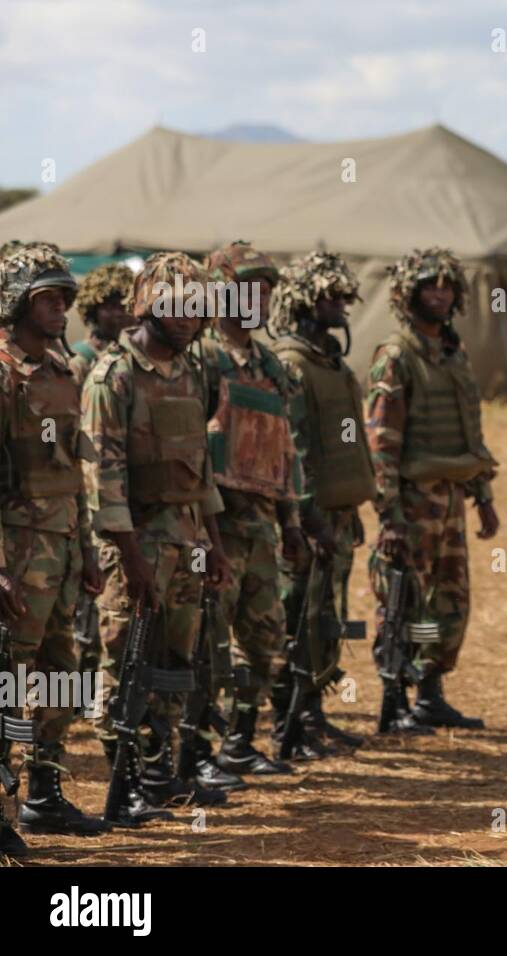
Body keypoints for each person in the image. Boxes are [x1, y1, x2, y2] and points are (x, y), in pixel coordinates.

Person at [82, 251, 234, 824]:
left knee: (173, 666)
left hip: (186, 541)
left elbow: (202, 471)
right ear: (148, 306)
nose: (189, 320)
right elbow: (105, 479)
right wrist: (131, 559)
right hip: (136, 545)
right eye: (177, 308)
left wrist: (213, 543)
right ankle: (125, 780)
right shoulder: (114, 376)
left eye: (198, 310)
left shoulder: (192, 372)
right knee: (125, 664)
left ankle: (158, 773)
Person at [0, 243, 108, 850]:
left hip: (63, 551)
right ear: (17, 301)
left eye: (65, 294)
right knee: (7, 678)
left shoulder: (64, 371)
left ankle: (44, 792)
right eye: (49, 296)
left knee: (64, 674)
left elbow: (75, 472)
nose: (63, 305)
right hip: (16, 555)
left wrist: (88, 550)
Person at [366, 248, 500, 731]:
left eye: (447, 285)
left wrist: (483, 495)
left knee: (449, 601)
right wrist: (390, 515)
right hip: (413, 502)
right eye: (429, 285)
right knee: (406, 599)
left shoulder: (453, 354)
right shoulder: (397, 356)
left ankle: (430, 691)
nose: (440, 293)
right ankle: (394, 695)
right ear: (408, 294)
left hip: (451, 498)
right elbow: (381, 441)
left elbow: (470, 431)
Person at [198, 241, 306, 777]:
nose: (260, 300)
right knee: (207, 642)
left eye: (266, 290)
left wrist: (292, 522)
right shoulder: (202, 358)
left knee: (262, 639)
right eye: (250, 288)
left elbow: (285, 448)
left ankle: (239, 741)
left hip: (261, 523)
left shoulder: (269, 364)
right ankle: (192, 752)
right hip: (212, 525)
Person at [267, 251, 373, 756]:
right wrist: (308, 519)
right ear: (304, 304)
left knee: (327, 618)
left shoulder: (332, 362)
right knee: (298, 616)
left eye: (343, 297)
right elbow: (294, 446)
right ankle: (288, 721)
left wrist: (349, 510)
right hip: (310, 520)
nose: (340, 307)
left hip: (338, 514)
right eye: (330, 298)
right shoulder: (293, 364)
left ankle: (314, 712)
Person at [70, 263, 137, 386]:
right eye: (110, 307)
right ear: (94, 311)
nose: (119, 313)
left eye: (125, 306)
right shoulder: (80, 361)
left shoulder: (137, 356)